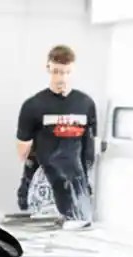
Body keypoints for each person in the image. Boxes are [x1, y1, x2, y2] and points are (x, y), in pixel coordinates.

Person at [15, 44, 97, 228]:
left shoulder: (86, 104)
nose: (62, 78)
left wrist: (85, 185)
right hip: (45, 186)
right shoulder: (33, 106)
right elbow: (22, 153)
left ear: (73, 70)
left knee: (76, 243)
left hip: (77, 188)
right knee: (42, 242)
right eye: (57, 72)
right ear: (48, 68)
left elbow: (90, 150)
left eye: (67, 72)